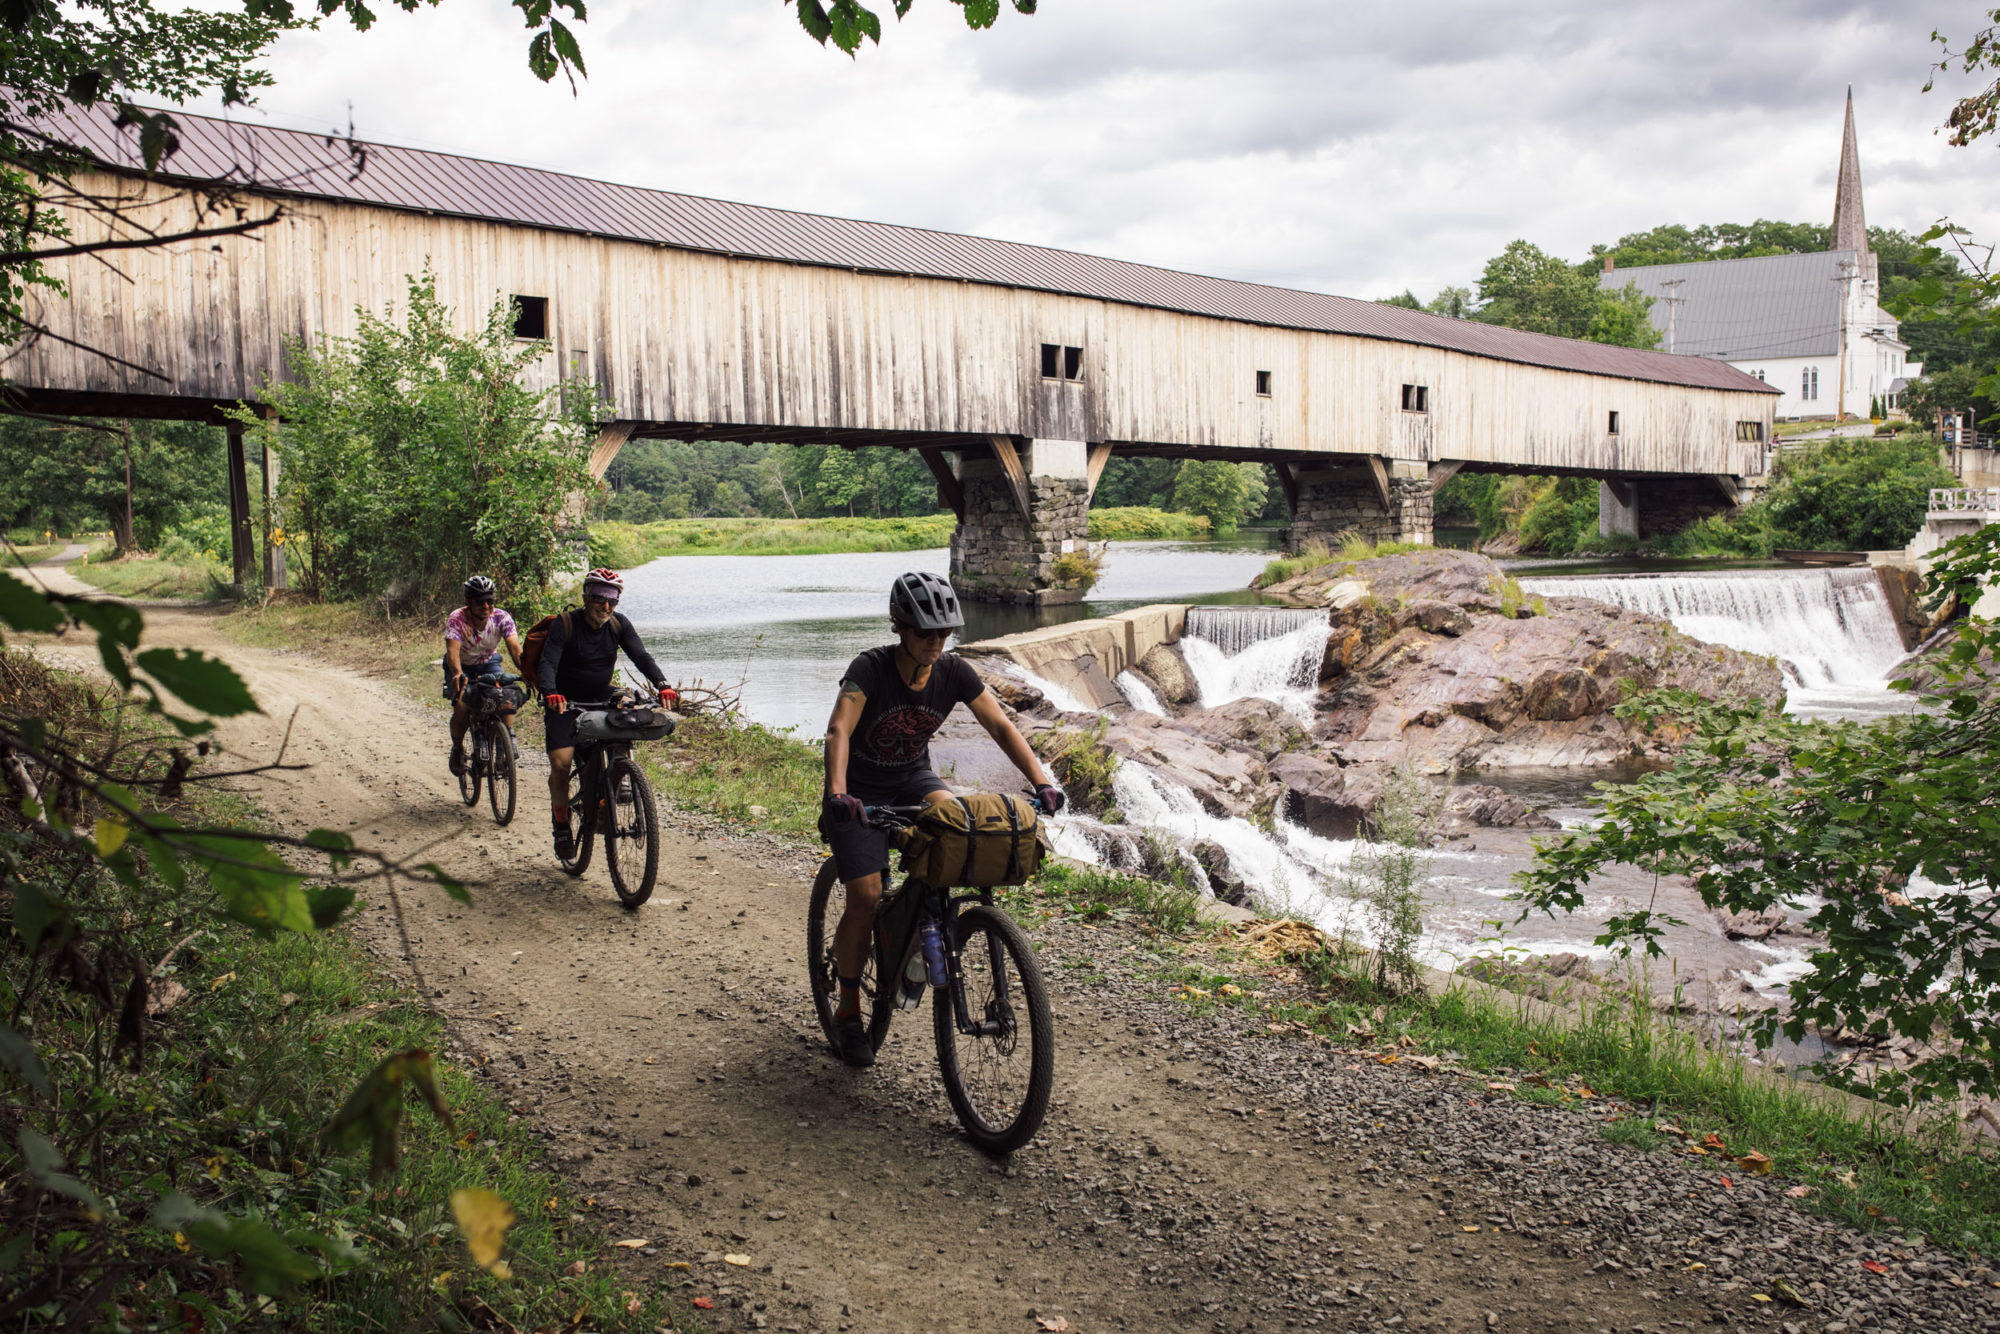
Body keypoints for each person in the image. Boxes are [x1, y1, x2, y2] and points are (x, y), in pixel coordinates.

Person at [819, 570, 1065, 1068]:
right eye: (923, 633)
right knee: (865, 896)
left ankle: (917, 925)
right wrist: (839, 793)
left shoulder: (953, 672)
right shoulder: (869, 668)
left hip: (912, 778)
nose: (934, 643)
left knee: (961, 828)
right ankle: (848, 1008)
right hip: (860, 790)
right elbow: (838, 731)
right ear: (899, 627)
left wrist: (1041, 780)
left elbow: (999, 724)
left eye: (943, 633)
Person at [538, 567, 677, 859]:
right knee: (561, 765)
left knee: (628, 718)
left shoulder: (618, 624)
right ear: (587, 596)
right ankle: (561, 823)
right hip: (564, 702)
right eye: (600, 597)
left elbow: (640, 656)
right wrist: (551, 692)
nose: (606, 606)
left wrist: (662, 684)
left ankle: (619, 780)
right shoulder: (565, 624)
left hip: (602, 695)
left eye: (613, 599)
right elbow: (548, 662)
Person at [444, 574, 524, 777]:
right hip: (461, 666)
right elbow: (452, 652)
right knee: (462, 706)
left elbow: (515, 649)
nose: (486, 606)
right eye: (480, 602)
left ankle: (503, 744)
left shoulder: (502, 618)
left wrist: (528, 672)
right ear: (468, 603)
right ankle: (458, 748)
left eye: (490, 601)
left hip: (489, 663)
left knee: (504, 696)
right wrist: (458, 674)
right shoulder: (457, 619)